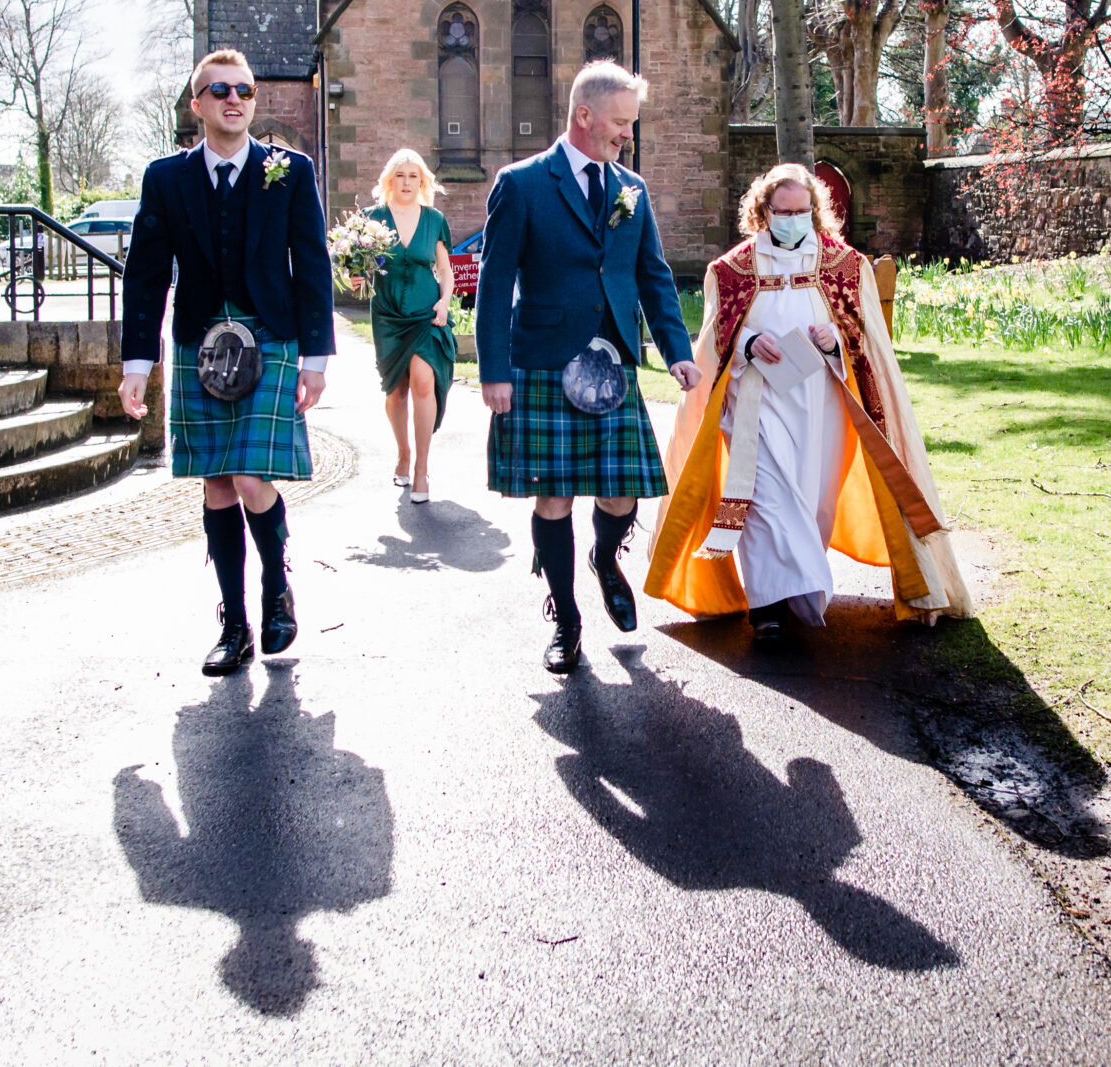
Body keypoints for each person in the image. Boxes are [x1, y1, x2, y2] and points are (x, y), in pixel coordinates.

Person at [645, 163, 970, 643]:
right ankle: (768, 609)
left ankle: (799, 593)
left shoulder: (845, 266)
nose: (794, 219)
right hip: (755, 398)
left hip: (822, 401)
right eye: (784, 211)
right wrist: (750, 343)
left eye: (803, 211)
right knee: (762, 498)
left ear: (815, 212)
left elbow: (869, 342)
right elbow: (717, 338)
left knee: (814, 500)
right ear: (764, 212)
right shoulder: (731, 270)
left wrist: (835, 336)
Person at [478, 60, 701, 675]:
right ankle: (567, 616)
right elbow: (495, 287)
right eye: (621, 121)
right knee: (553, 496)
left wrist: (677, 350)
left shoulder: (631, 188)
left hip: (612, 365)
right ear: (584, 115)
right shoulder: (522, 184)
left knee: (621, 489)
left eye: (631, 123)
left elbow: (652, 276)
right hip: (544, 362)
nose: (627, 133)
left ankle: (605, 560)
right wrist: (493, 371)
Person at [118, 49, 335, 676]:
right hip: (198, 340)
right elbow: (148, 275)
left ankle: (276, 586)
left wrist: (315, 358)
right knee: (216, 481)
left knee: (247, 478)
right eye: (218, 90)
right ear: (198, 105)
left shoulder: (289, 171)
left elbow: (312, 264)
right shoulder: (166, 178)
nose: (232, 98)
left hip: (270, 336)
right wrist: (138, 362)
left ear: (253, 100)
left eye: (242, 89)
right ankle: (235, 623)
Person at [362, 149, 455, 503]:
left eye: (413, 176)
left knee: (422, 379)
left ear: (422, 181)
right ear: (390, 180)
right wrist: (357, 275)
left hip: (426, 314)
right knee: (395, 391)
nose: (406, 182)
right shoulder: (372, 219)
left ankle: (421, 468)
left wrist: (444, 301)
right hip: (387, 317)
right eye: (400, 175)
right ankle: (403, 452)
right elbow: (362, 267)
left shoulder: (434, 219)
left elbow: (445, 269)